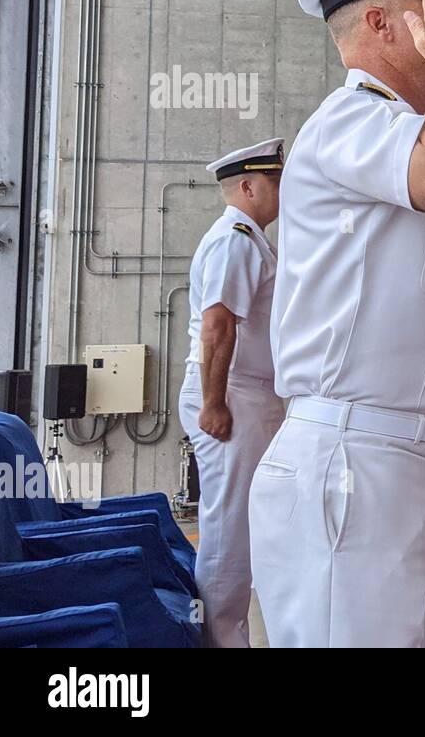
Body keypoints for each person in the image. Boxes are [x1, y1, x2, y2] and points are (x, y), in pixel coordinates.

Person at [249, 0, 425, 647]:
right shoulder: (349, 120)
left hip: (399, 465)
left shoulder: (399, 132)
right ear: (382, 24)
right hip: (352, 463)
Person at [178, 138, 286, 648]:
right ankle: (221, 640)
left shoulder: (251, 240)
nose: (282, 190)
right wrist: (214, 403)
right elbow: (218, 327)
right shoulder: (235, 240)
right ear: (247, 187)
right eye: (274, 181)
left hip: (246, 393)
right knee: (229, 531)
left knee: (245, 523)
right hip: (232, 394)